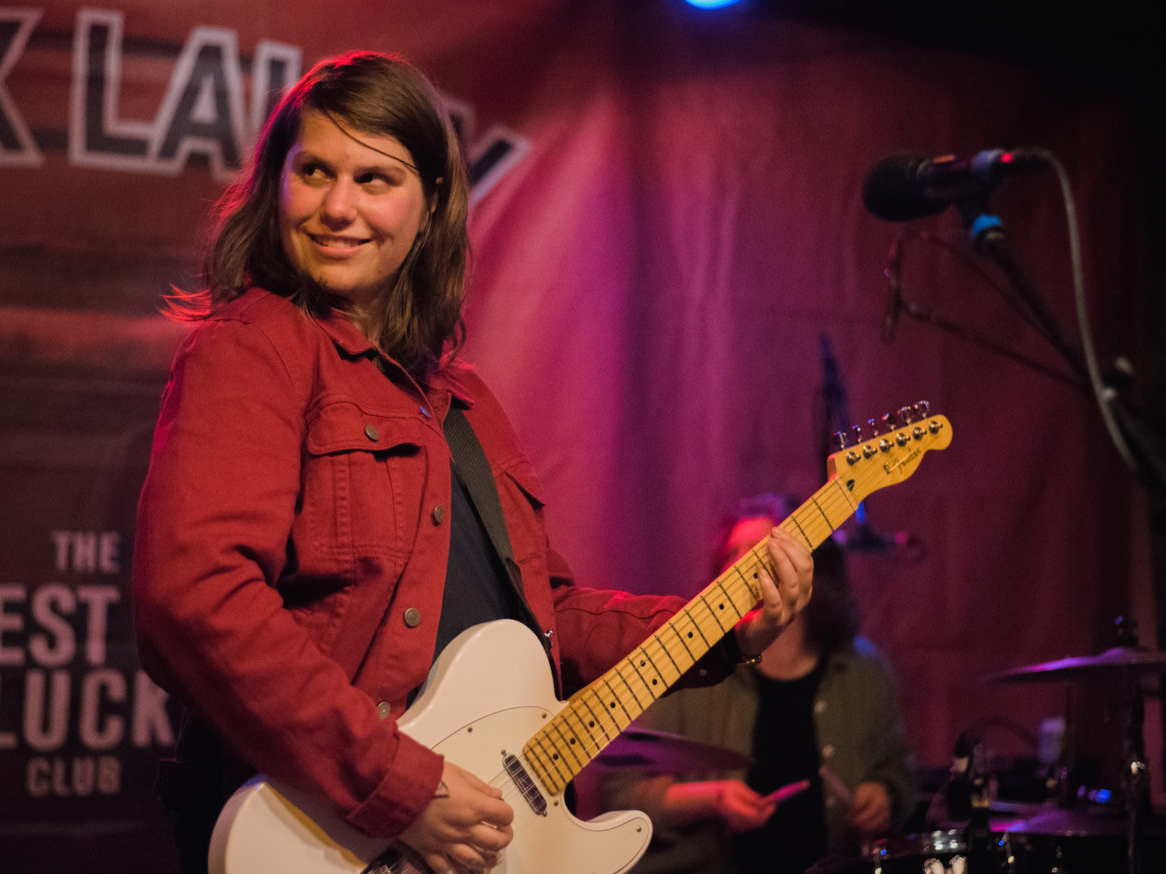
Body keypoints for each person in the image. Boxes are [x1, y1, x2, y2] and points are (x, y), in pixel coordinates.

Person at [130, 52, 814, 874]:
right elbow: (194, 597)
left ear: (430, 209)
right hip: (321, 835)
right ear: (277, 182)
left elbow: (549, 620)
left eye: (374, 180)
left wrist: (723, 627)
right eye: (313, 171)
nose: (337, 207)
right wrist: (401, 787)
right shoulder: (254, 349)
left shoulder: (467, 404)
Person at [599, 494, 915, 874]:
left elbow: (899, 772)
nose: (741, 565)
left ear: (804, 564)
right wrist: (711, 798)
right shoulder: (688, 668)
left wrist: (884, 795)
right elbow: (619, 794)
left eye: (759, 550)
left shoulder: (865, 671)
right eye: (733, 554)